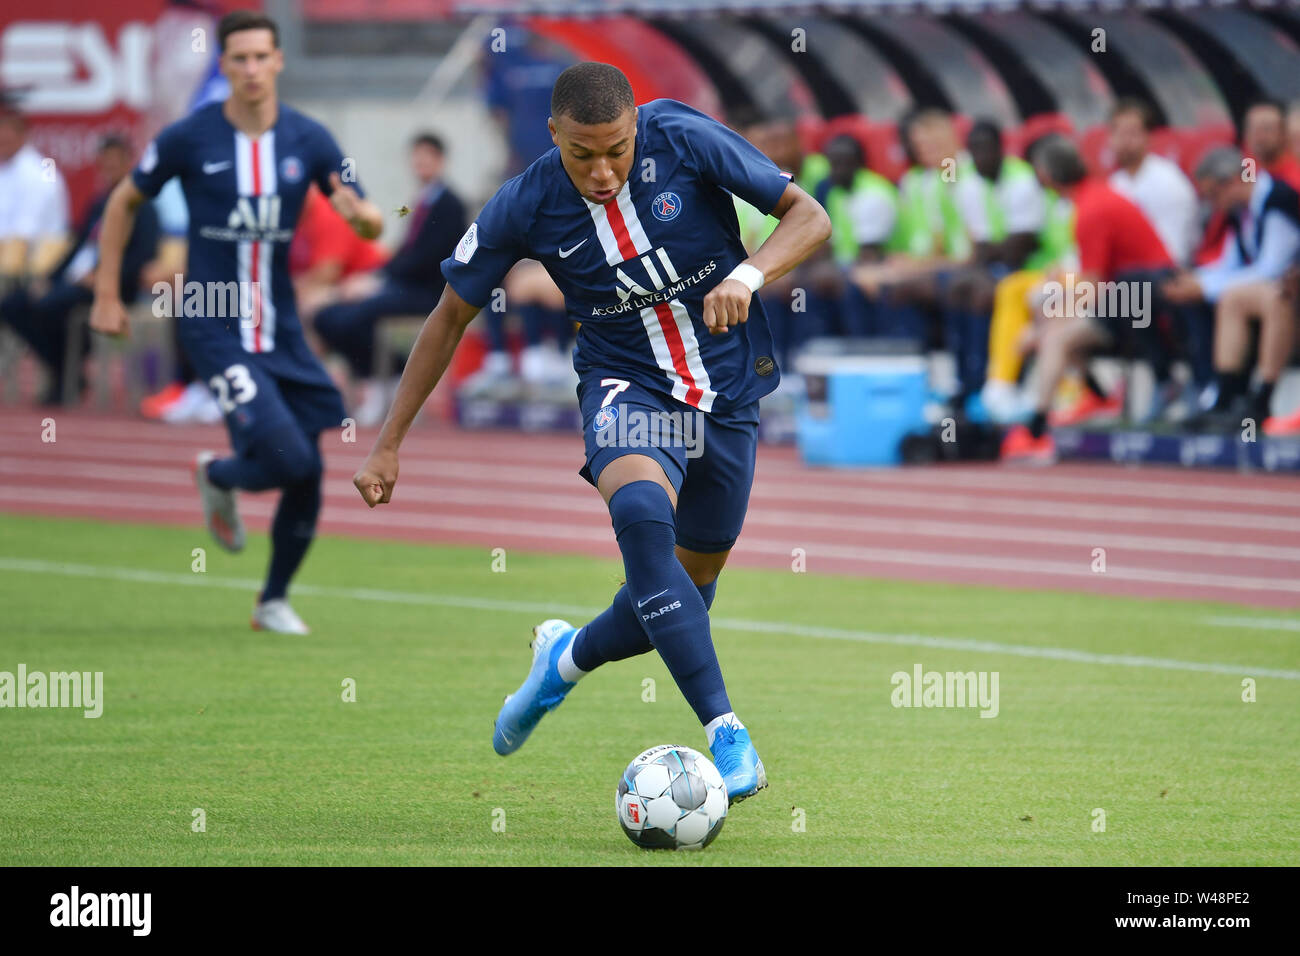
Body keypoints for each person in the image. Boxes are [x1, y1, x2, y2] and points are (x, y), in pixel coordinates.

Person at [352, 63, 830, 802]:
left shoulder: (683, 135)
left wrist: (748, 276)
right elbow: (450, 315)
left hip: (728, 395)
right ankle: (727, 733)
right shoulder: (525, 202)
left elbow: (809, 215)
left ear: (638, 125)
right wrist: (388, 441)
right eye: (583, 154)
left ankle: (563, 660)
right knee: (642, 523)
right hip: (624, 385)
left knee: (675, 600)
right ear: (553, 136)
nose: (603, 171)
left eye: (618, 149)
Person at [90, 10, 383, 633]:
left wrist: (368, 220)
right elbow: (124, 200)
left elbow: (360, 206)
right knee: (291, 461)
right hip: (213, 325)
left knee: (311, 468)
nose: (251, 69)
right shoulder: (188, 138)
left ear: (279, 62)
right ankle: (217, 473)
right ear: (223, 66)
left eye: (261, 57)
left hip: (279, 330)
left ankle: (272, 600)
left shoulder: (310, 139)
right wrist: (106, 293)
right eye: (239, 59)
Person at [1001, 136, 1175, 464]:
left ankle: (1037, 428)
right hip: (1132, 292)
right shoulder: (1092, 198)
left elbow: (1093, 287)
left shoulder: (1091, 210)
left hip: (1141, 297)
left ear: (1046, 175)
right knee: (1046, 301)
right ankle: (1096, 395)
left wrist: (1042, 329)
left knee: (1056, 337)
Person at [314, 133, 464, 425]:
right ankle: (386, 376)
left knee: (358, 314)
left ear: (441, 161)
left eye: (427, 157)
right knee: (328, 316)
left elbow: (427, 260)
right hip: (402, 285)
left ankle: (389, 378)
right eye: (417, 157)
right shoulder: (419, 201)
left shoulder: (450, 204)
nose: (421, 163)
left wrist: (379, 282)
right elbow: (403, 253)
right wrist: (374, 277)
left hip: (428, 291)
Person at [0, 134, 158, 404]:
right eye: (104, 163)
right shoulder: (98, 203)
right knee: (13, 304)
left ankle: (67, 371)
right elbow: (76, 249)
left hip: (112, 287)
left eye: (114, 162)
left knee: (51, 305)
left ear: (128, 163)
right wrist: (48, 278)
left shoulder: (141, 206)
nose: (108, 169)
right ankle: (64, 368)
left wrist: (103, 278)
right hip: (75, 282)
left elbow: (142, 257)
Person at [1163, 147, 1300, 430]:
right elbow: (1232, 265)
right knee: (1231, 298)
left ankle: (1262, 399)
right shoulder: (1241, 212)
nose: (1213, 204)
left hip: (1287, 291)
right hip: (1273, 290)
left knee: (1261, 296)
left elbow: (1271, 268)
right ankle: (1225, 395)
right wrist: (1197, 281)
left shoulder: (1278, 200)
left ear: (1232, 181)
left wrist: (1204, 288)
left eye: (1213, 194)